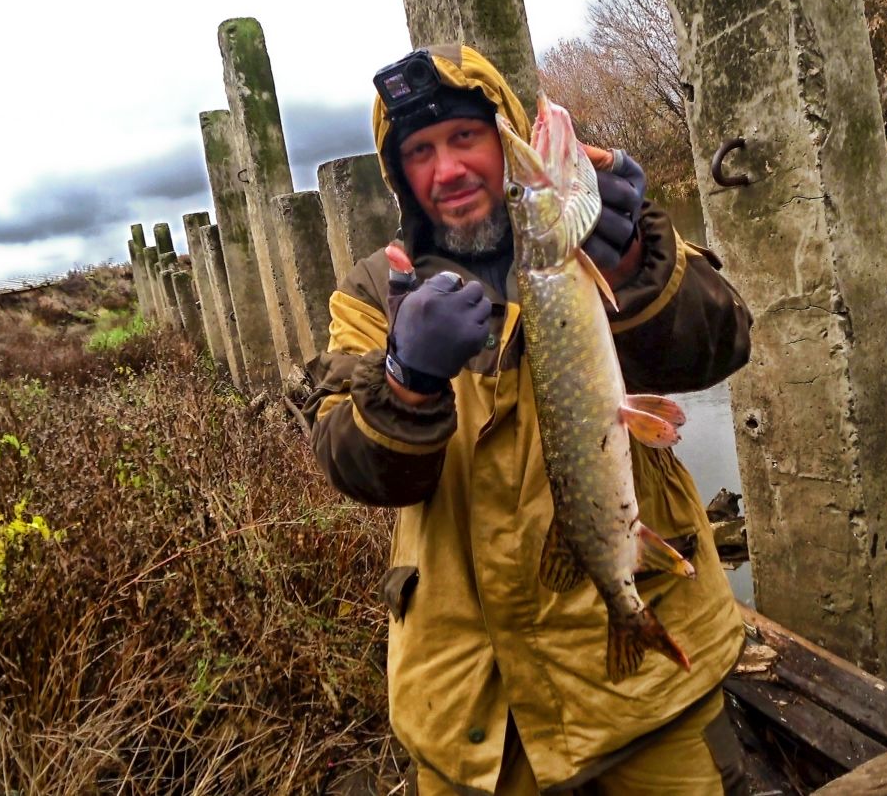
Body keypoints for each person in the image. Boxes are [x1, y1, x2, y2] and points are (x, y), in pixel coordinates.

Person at [304, 44, 754, 795]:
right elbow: (350, 463)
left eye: (466, 137)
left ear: (503, 139)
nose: (448, 169)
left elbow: (723, 342)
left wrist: (635, 267)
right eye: (420, 151)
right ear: (399, 174)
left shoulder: (592, 239)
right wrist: (406, 381)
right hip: (474, 713)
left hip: (648, 691)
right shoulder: (374, 293)